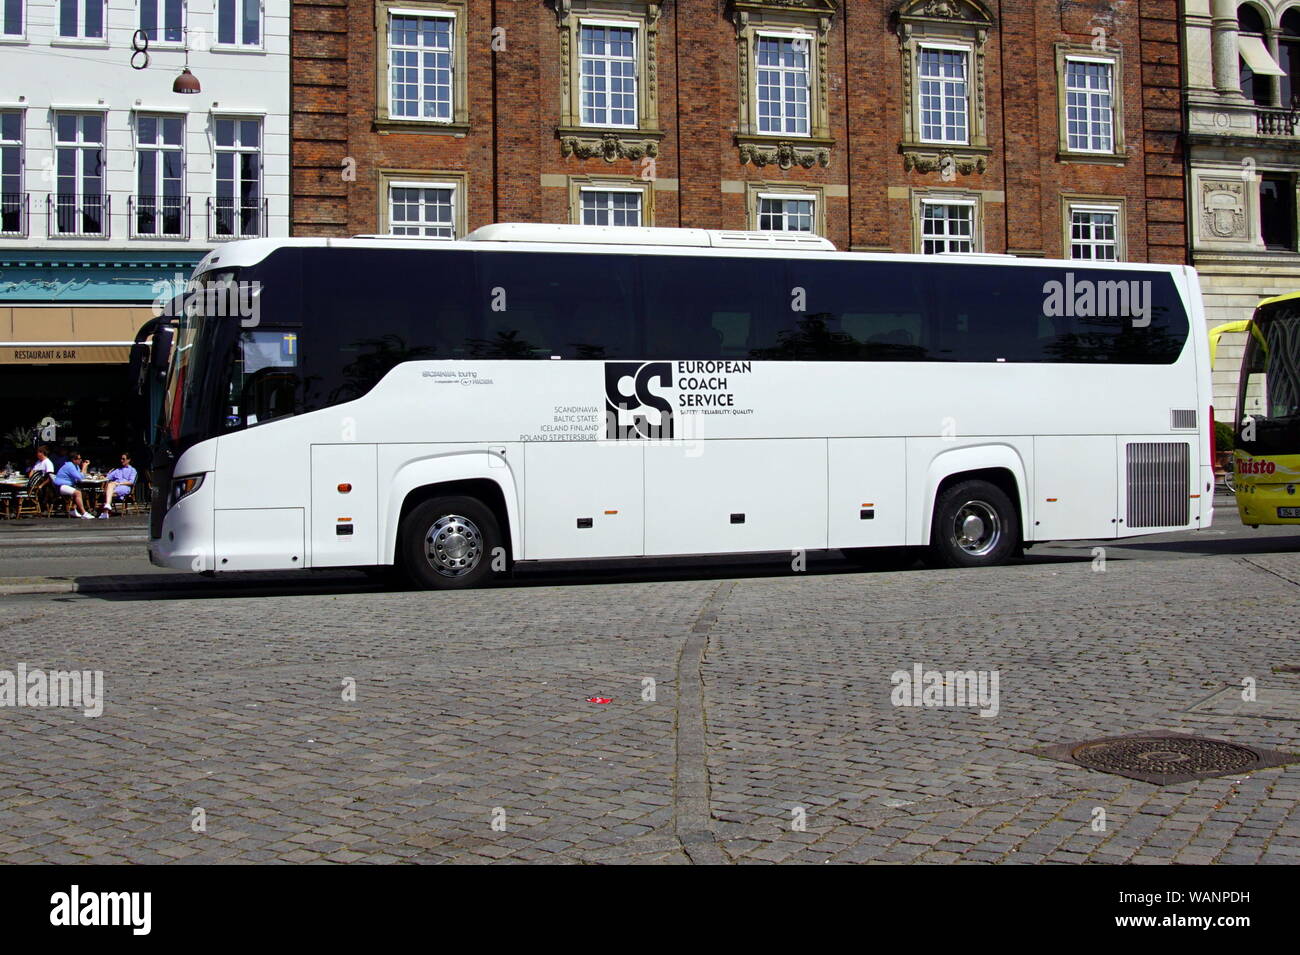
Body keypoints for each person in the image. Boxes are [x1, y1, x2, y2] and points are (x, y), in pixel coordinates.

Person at [51, 453, 94, 519]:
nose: (80, 460)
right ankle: (84, 513)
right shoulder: (70, 466)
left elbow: (82, 475)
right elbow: (80, 477)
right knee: (77, 493)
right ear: (74, 460)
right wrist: (84, 467)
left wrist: (85, 466)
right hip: (61, 486)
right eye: (79, 459)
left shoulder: (75, 466)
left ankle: (73, 510)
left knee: (82, 491)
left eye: (80, 458)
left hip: (68, 485)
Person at [99, 452, 138, 518]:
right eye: (121, 459)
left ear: (128, 460)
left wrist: (119, 483)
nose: (121, 460)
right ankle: (108, 505)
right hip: (115, 486)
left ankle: (105, 512)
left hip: (125, 487)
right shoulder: (118, 470)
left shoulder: (132, 470)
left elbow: (131, 482)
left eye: (123, 459)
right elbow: (108, 478)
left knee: (108, 491)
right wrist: (103, 476)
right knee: (110, 485)